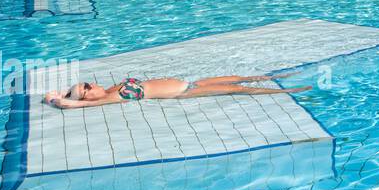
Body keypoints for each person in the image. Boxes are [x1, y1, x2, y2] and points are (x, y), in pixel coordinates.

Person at [44, 75, 311, 110]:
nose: (90, 85)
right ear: (88, 97)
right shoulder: (110, 97)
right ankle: (287, 90)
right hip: (183, 92)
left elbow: (66, 101)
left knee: (239, 77)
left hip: (190, 82)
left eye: (86, 83)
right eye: (86, 89)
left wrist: (58, 95)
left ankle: (276, 77)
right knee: (238, 89)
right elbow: (72, 106)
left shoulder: (112, 88)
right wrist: (63, 101)